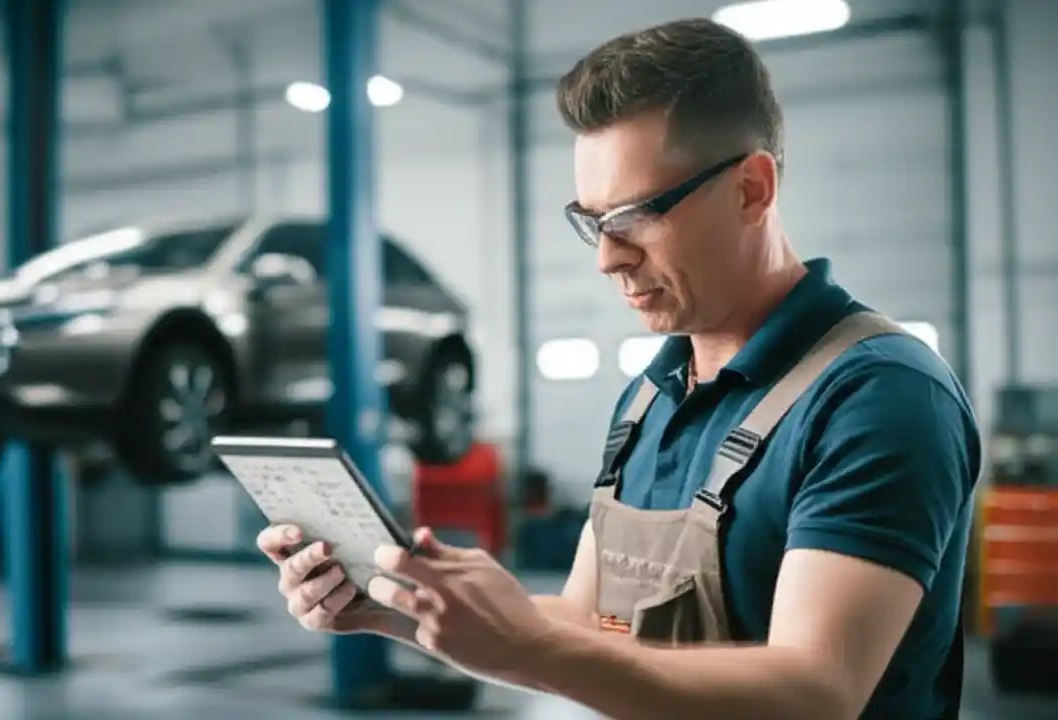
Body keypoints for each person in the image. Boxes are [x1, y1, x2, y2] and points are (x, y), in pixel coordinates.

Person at [257, 17, 980, 720]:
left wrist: (525, 647)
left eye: (637, 215)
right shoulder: (649, 400)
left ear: (752, 190)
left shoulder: (878, 396)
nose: (607, 257)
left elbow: (815, 691)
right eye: (594, 221)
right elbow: (585, 621)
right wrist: (394, 606)